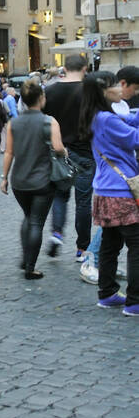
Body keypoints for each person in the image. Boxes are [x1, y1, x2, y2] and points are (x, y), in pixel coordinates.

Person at [77, 71, 139, 315]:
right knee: (136, 245)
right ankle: (134, 302)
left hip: (104, 190)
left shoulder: (97, 116)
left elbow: (128, 122)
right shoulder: (107, 119)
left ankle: (108, 293)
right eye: (114, 85)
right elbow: (134, 138)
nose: (119, 88)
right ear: (104, 91)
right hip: (120, 191)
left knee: (111, 244)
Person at [0, 81, 69, 279]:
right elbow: (58, 148)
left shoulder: (14, 123)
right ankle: (30, 267)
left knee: (28, 217)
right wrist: (65, 150)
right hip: (43, 180)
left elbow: (9, 153)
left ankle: (25, 258)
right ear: (41, 99)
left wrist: (4, 178)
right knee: (36, 222)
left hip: (19, 181)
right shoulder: (50, 121)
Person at [43, 54, 95, 273]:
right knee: (83, 202)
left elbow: (43, 121)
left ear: (64, 68)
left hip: (58, 152)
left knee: (60, 196)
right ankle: (81, 249)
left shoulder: (49, 91)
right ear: (85, 68)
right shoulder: (89, 92)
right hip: (85, 152)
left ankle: (57, 233)